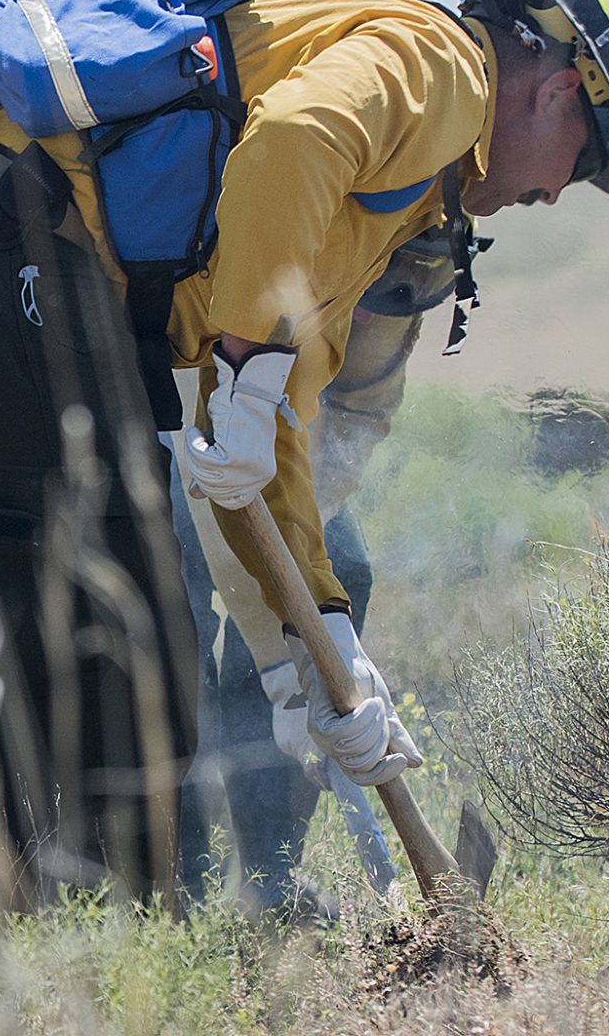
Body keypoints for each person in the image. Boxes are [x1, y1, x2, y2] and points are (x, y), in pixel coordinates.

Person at [0, 0, 609, 912]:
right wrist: (245, 357)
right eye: (585, 165)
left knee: (75, 612)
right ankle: (99, 937)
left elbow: (275, 433)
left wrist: (316, 650)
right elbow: (289, 142)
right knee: (116, 617)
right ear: (561, 92)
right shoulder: (440, 64)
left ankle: (62, 937)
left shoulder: (388, 206)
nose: (549, 194)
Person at [175, 234, 451, 916]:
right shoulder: (287, 232)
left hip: (272, 455)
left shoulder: (410, 263)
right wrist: (284, 660)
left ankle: (267, 880)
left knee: (343, 568)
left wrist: (316, 631)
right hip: (180, 410)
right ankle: (176, 885)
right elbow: (215, 497)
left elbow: (355, 420)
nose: (364, 319)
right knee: (171, 619)